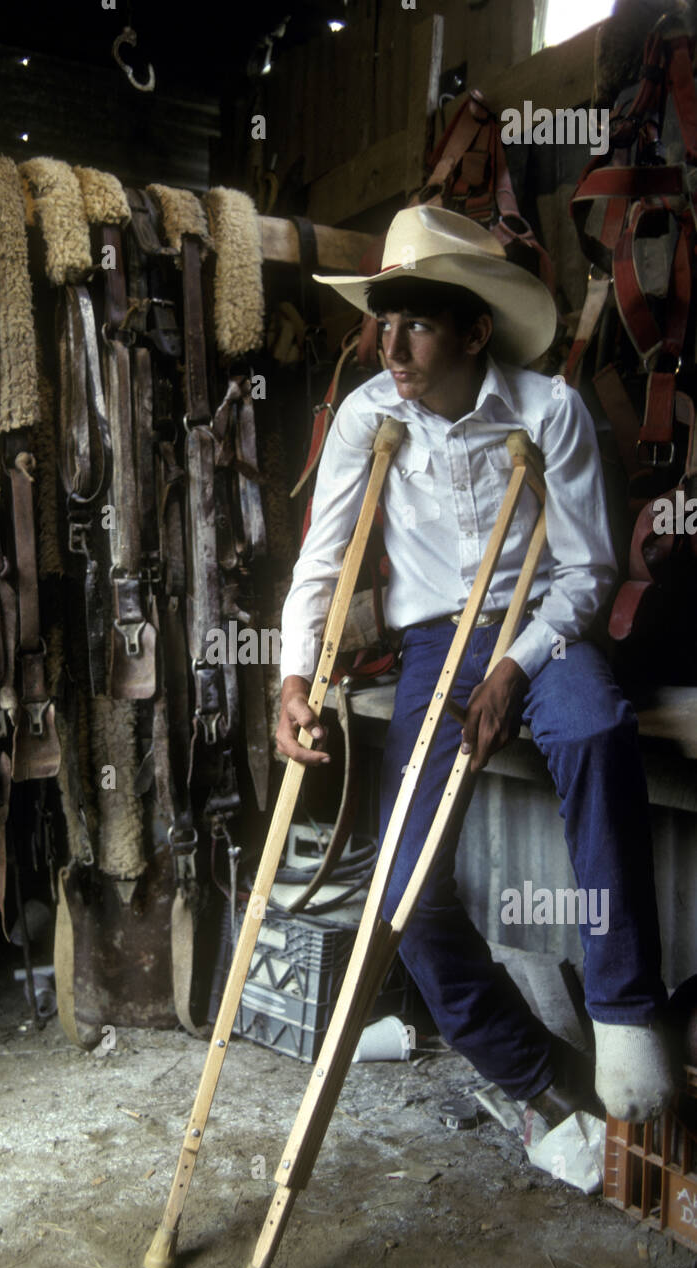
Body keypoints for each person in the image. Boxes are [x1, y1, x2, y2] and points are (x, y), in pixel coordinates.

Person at [276, 204, 674, 1124]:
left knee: (595, 729)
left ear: (475, 330)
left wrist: (516, 669)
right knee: (406, 892)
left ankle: (622, 1013)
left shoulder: (551, 413)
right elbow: (325, 560)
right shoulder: (367, 419)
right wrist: (295, 676)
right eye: (384, 321)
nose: (391, 346)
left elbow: (586, 571)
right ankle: (540, 1077)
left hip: (541, 625)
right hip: (430, 645)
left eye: (416, 323)